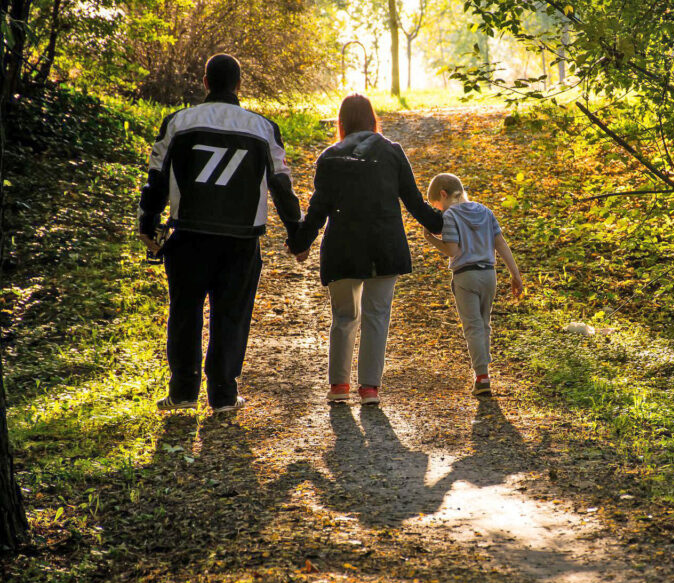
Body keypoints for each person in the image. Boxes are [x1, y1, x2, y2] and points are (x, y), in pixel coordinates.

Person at [137, 54, 302, 413]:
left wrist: (147, 222)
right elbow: (281, 184)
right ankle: (224, 395)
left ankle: (182, 393)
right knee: (231, 313)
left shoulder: (179, 122)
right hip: (241, 239)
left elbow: (156, 177)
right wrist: (297, 234)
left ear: (205, 81)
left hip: (188, 234)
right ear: (238, 84)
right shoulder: (263, 128)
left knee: (185, 310)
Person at [288, 93, 442, 406]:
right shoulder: (391, 151)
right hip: (385, 245)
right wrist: (442, 223)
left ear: (342, 122)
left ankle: (339, 386)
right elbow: (413, 201)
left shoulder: (330, 157)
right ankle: (370, 388)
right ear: (372, 119)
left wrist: (301, 242)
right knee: (377, 315)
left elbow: (318, 209)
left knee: (344, 316)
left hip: (343, 247)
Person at [421, 173, 523, 396]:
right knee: (484, 325)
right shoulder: (486, 212)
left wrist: (431, 239)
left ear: (443, 194)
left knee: (473, 327)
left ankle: (482, 376)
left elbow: (452, 250)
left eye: (436, 206)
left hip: (465, 276)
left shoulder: (451, 215)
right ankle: (484, 372)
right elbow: (501, 244)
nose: (438, 211)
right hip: (489, 275)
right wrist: (515, 274)